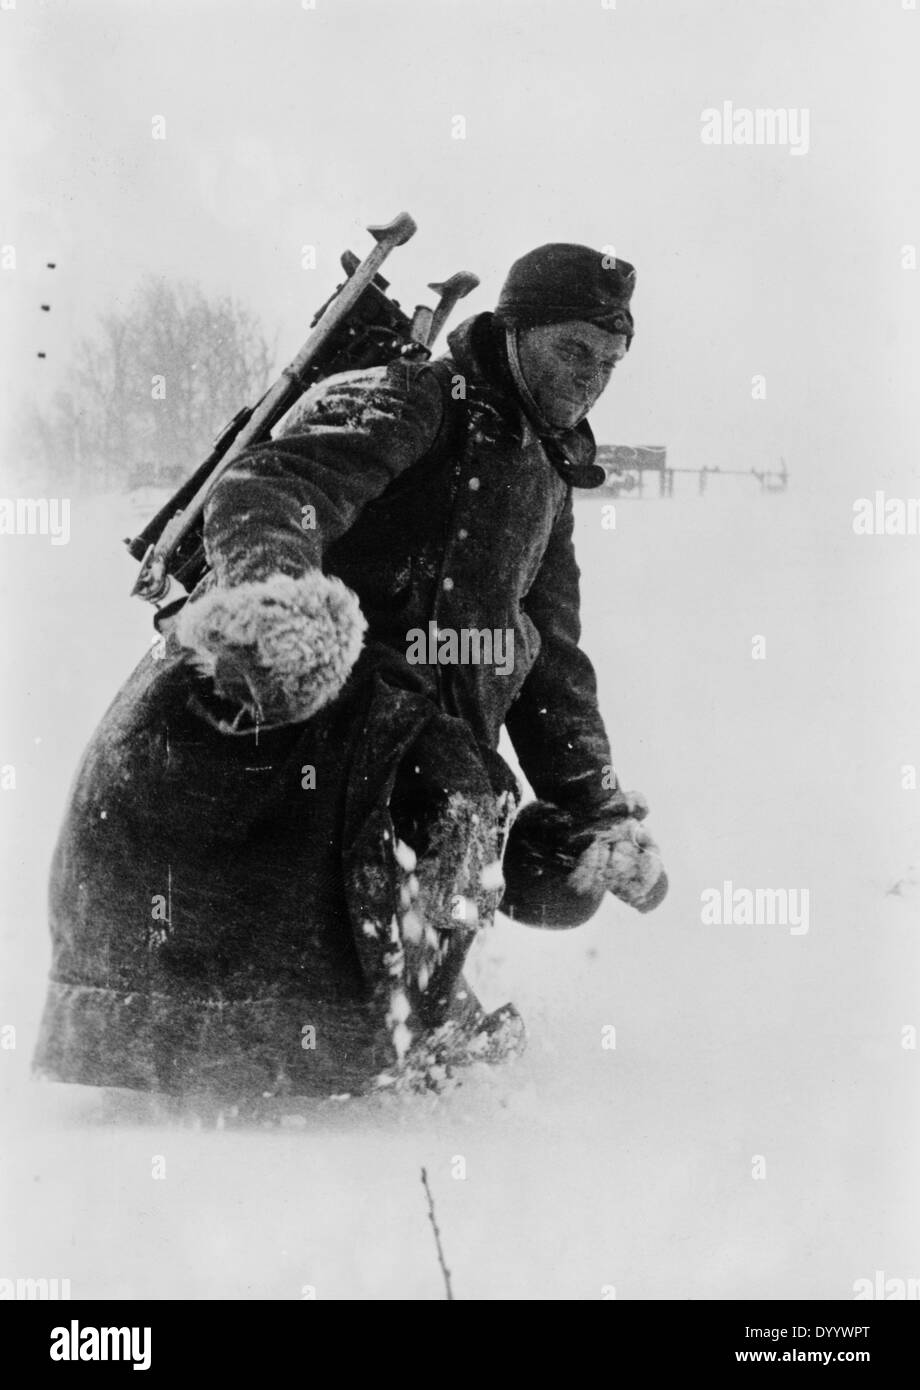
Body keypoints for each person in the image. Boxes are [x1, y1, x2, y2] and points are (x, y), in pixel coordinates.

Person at [34, 242, 667, 1098]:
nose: (592, 378)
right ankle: (364, 1053)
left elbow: (550, 660)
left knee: (496, 824)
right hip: (289, 709)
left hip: (404, 738)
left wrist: (595, 806)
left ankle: (407, 1024)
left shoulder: (545, 473)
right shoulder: (413, 399)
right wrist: (280, 612)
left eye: (609, 361)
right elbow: (267, 485)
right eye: (573, 351)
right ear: (515, 333)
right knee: (456, 794)